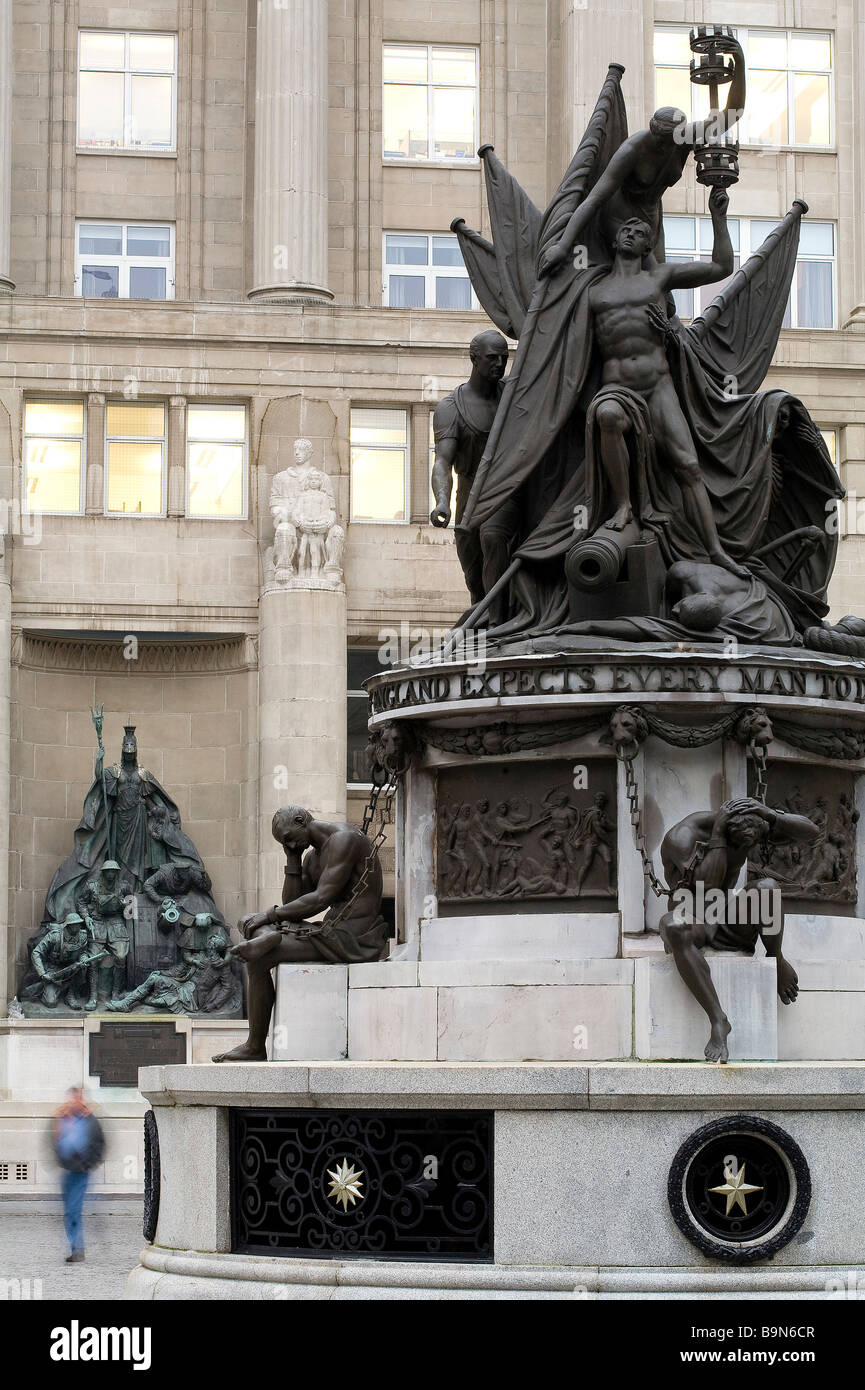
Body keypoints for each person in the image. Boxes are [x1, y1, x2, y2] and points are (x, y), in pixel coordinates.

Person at [586, 190, 747, 576]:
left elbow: (721, 267)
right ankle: (624, 505)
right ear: (613, 240)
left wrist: (718, 218)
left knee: (688, 465)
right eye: (626, 228)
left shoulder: (660, 277)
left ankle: (714, 551)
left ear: (648, 247)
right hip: (616, 388)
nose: (632, 233)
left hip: (658, 386)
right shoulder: (591, 290)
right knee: (607, 415)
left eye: (641, 232)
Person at [213, 806, 388, 1062]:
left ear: (301, 820)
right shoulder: (311, 858)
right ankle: (266, 937)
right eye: (284, 843)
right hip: (331, 932)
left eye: (288, 837)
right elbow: (293, 905)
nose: (290, 843)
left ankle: (255, 1046)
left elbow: (320, 899)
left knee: (260, 959)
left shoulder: (343, 839)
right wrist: (292, 860)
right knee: (246, 919)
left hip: (354, 938)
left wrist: (270, 916)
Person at [659, 797, 819, 1063]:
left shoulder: (749, 826)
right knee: (674, 925)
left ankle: (776, 958)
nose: (745, 850)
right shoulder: (682, 836)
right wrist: (719, 835)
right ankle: (718, 1020)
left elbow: (812, 833)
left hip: (725, 918)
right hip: (690, 914)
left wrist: (770, 814)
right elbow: (706, 887)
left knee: (766, 887)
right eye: (740, 845)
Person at [430, 329, 517, 618]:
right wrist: (441, 500)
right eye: (493, 358)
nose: (500, 365)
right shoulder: (451, 408)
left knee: (493, 536)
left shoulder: (513, 396)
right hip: (468, 495)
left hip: (506, 490)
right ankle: (484, 616)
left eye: (504, 358)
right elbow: (443, 461)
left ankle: (498, 622)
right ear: (474, 358)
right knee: (473, 573)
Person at [53, 1087, 105, 1263]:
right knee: (68, 1212)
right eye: (72, 1098)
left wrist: (89, 1164)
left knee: (74, 1210)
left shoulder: (90, 1121)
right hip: (67, 1170)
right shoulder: (63, 1118)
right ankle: (75, 1246)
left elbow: (100, 1143)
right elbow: (54, 1139)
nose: (74, 1101)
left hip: (81, 1171)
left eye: (78, 1098)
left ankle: (77, 1248)